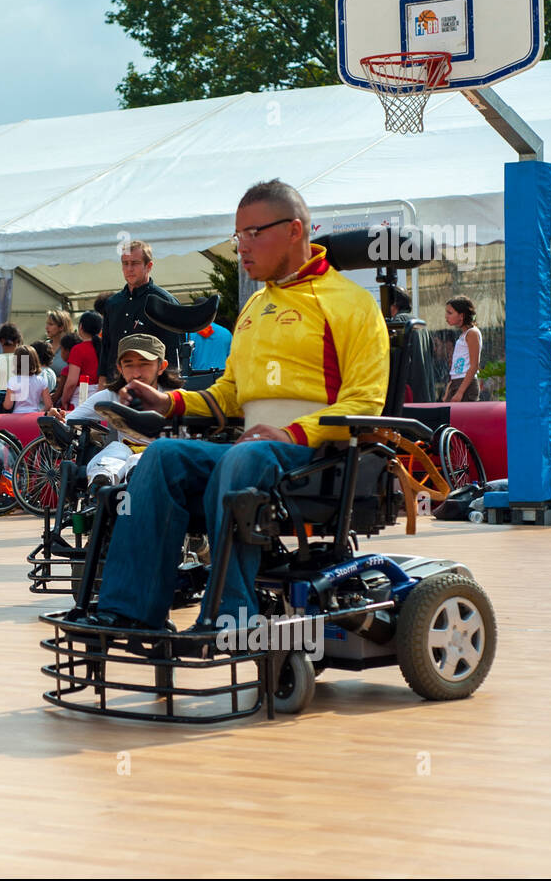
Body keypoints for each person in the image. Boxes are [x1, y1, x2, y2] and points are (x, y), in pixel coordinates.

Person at [78, 180, 388, 633]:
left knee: (243, 455)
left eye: (253, 233)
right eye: (237, 235)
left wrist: (289, 433)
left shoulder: (351, 304)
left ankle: (232, 616)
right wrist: (167, 400)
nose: (241, 246)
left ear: (295, 230)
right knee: (161, 456)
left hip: (320, 458)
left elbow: (366, 401)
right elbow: (228, 395)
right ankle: (129, 611)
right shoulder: (254, 308)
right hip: (255, 455)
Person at [50, 334, 182, 487]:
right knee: (114, 451)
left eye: (144, 364)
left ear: (161, 367)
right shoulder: (111, 395)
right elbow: (71, 419)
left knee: (138, 460)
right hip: (124, 452)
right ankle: (101, 482)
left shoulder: (175, 397)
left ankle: (135, 476)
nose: (136, 373)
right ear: (120, 368)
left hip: (160, 456)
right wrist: (58, 416)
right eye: (129, 364)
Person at [99, 241, 184, 386]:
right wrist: (102, 382)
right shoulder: (113, 303)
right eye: (125, 263)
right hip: (116, 385)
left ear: (148, 266)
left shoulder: (164, 301)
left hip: (153, 387)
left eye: (135, 263)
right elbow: (106, 347)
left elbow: (174, 350)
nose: (129, 268)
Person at [55, 310, 101, 408]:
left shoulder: (78, 349)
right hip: (101, 398)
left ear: (80, 327)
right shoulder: (105, 348)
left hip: (81, 399)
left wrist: (64, 400)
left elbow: (71, 381)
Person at [444, 295, 482, 402]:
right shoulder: (464, 334)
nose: (446, 317)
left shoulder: (472, 333)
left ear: (461, 315)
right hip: (458, 384)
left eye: (450, 313)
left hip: (466, 386)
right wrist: (449, 390)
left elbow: (474, 366)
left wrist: (460, 392)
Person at [4, 345, 53, 414]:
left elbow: (8, 406)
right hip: (34, 416)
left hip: (16, 417)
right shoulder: (41, 380)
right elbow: (48, 405)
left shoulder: (13, 380)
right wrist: (39, 413)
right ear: (35, 360)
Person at [44, 311, 73, 376]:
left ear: (61, 327)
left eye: (51, 324)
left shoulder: (71, 348)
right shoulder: (43, 346)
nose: (46, 327)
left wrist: (54, 380)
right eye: (47, 324)